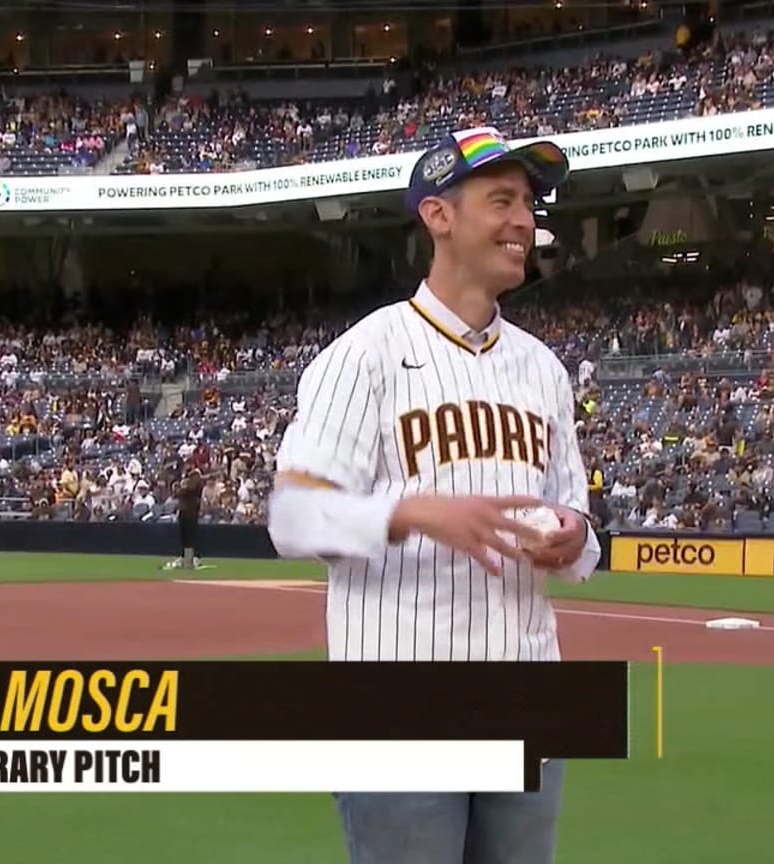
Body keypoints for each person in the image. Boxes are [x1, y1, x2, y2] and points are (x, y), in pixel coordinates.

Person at [267, 125, 601, 864]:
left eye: (530, 205)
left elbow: (578, 521)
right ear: (438, 215)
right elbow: (291, 516)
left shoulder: (544, 370)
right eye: (502, 200)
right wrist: (411, 510)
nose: (524, 221)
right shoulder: (365, 355)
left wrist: (575, 538)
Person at [165, 469, 208, 571]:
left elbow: (188, 489)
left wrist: (183, 486)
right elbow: (178, 492)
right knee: (183, 537)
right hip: (183, 512)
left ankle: (196, 558)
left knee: (192, 537)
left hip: (192, 513)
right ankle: (183, 557)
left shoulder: (196, 484)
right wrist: (181, 487)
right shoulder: (186, 482)